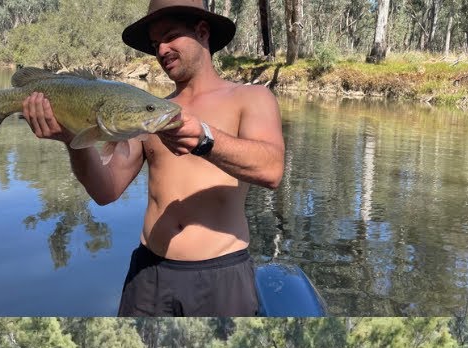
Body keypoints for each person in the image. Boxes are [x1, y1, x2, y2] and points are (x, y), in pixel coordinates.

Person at [22, 0, 285, 317]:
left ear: (202, 32)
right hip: (148, 274)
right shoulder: (146, 112)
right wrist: (71, 140)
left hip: (221, 276)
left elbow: (271, 170)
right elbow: (106, 190)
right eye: (155, 43)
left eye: (170, 36)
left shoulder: (251, 97)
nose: (161, 50)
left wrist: (204, 139)